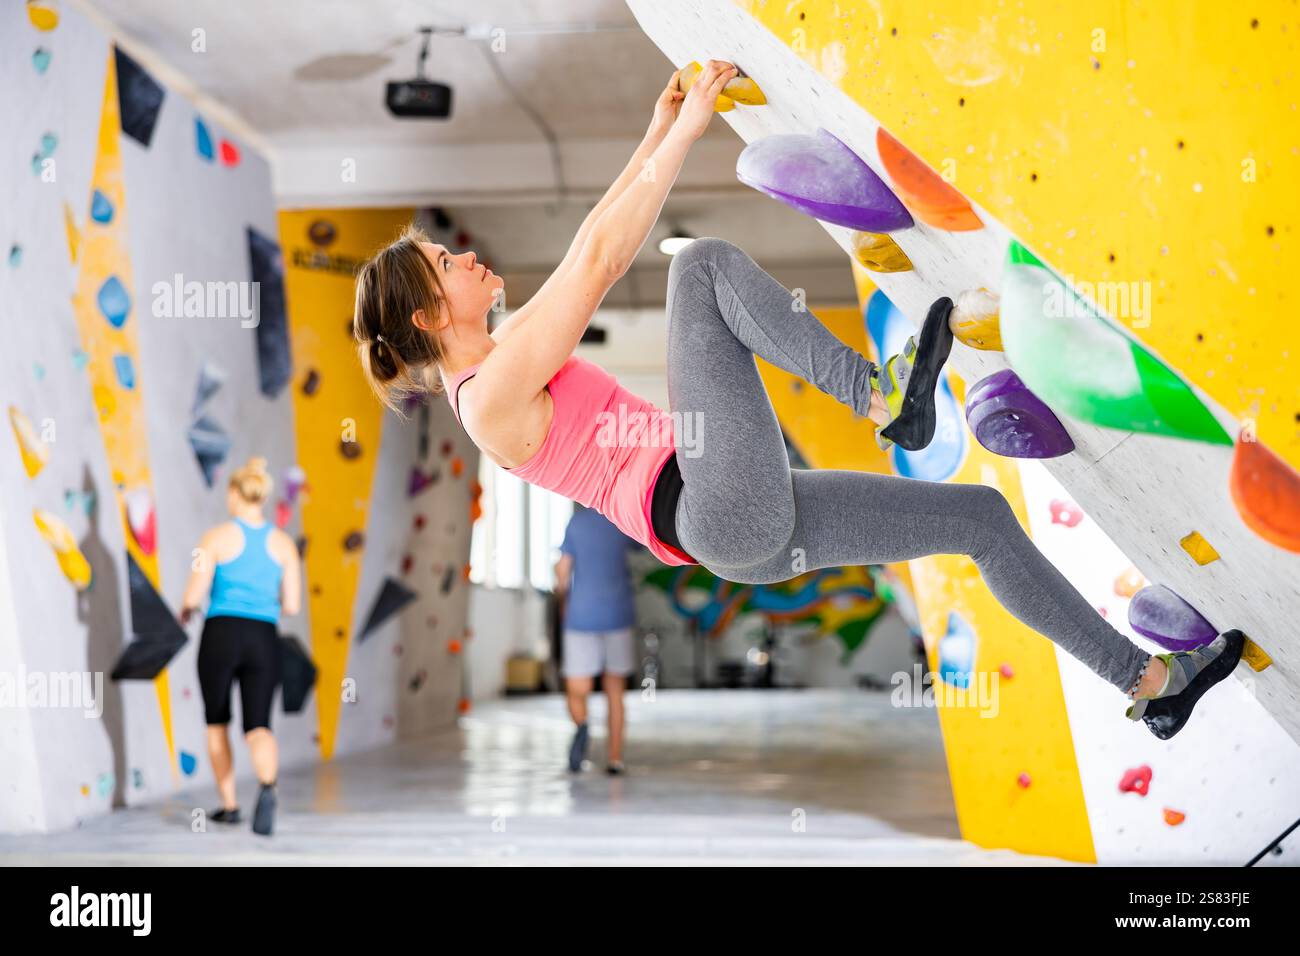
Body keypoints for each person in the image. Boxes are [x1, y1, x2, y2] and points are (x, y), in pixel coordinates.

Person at [350, 61, 1244, 741]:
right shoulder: (489, 395)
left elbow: (590, 237)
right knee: (696, 267)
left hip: (743, 522)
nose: (464, 258)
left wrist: (656, 132)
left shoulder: (501, 363)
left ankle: (1150, 688)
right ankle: (883, 395)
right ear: (431, 315)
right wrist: (692, 129)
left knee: (979, 518)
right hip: (712, 507)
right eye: (445, 263)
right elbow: (598, 263)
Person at [181, 457, 302, 835]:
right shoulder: (284, 544)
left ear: (235, 494)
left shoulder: (214, 538)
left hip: (221, 634)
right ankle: (267, 788)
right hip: (263, 637)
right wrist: (263, 603)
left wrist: (185, 609)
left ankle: (230, 806)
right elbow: (293, 605)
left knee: (217, 722)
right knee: (258, 725)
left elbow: (194, 593)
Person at [554, 504, 640, 775]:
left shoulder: (576, 523)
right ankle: (615, 760)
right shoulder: (621, 518)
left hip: (581, 615)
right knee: (615, 690)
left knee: (578, 688)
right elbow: (643, 544)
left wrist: (563, 602)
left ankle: (582, 726)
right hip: (618, 613)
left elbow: (562, 570)